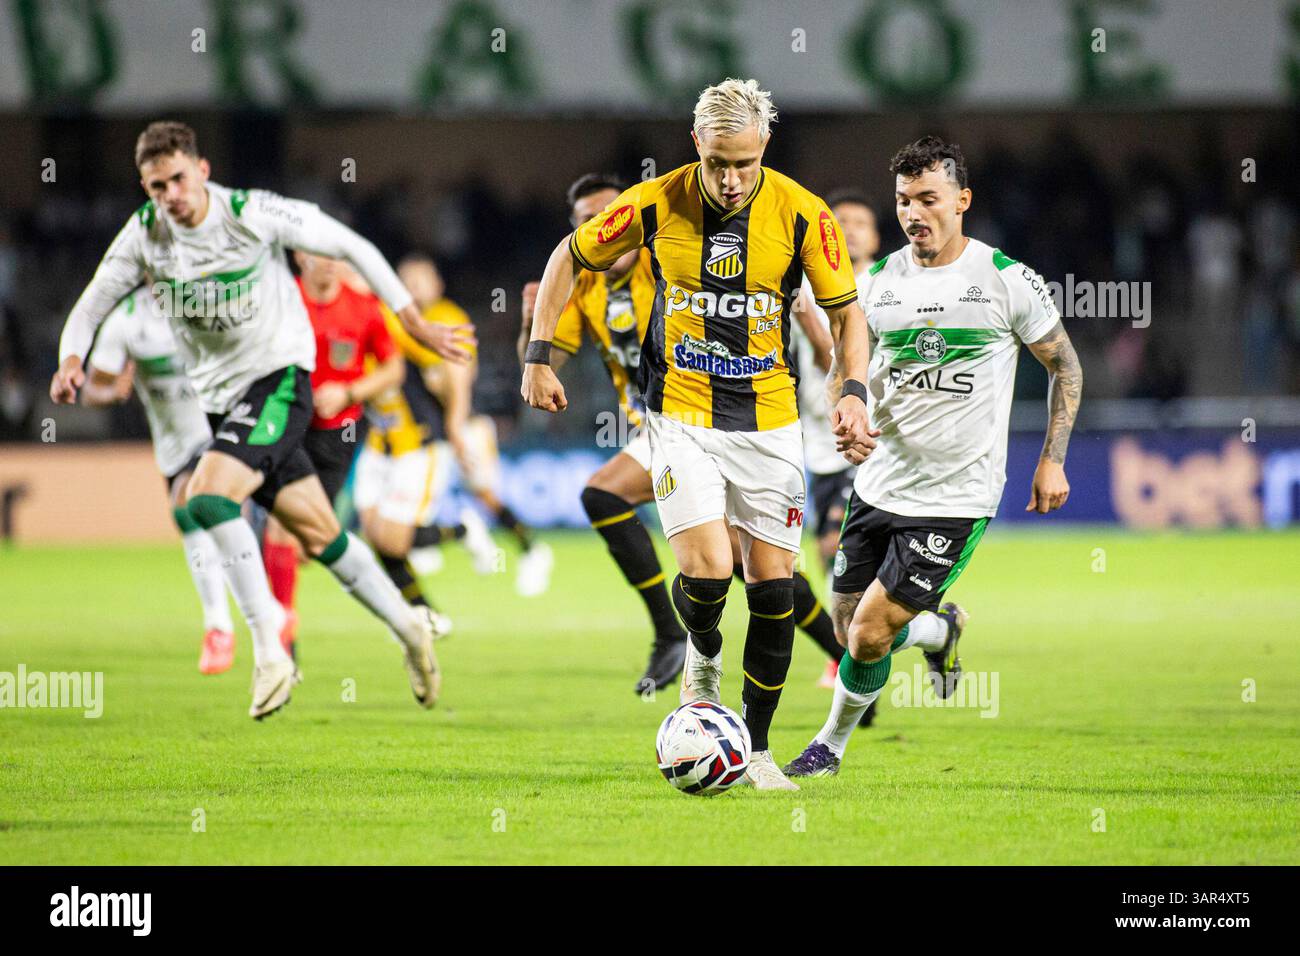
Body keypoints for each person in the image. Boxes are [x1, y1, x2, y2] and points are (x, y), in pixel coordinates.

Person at [51, 121, 474, 719]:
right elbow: (93, 302)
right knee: (321, 535)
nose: (169, 194)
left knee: (204, 497)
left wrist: (412, 319)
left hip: (280, 379)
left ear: (201, 171)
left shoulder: (251, 213)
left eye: (177, 178)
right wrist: (72, 358)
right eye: (154, 186)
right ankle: (410, 629)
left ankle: (270, 648)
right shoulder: (143, 236)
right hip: (223, 401)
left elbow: (352, 246)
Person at [522, 80, 876, 790]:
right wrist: (536, 354)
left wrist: (851, 394)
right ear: (696, 146)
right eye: (718, 161)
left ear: (763, 148)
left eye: (744, 162)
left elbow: (847, 314)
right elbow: (569, 255)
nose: (731, 178)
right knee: (711, 571)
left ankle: (759, 750)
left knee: (773, 585)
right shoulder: (655, 203)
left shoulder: (804, 215)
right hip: (680, 416)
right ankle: (701, 656)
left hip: (771, 424)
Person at [783, 136, 1082, 777]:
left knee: (865, 635)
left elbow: (1066, 366)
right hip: (879, 482)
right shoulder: (879, 283)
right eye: (903, 201)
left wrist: (1053, 458)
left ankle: (827, 748)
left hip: (956, 496)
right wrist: (849, 404)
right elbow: (845, 362)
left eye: (928, 199)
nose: (914, 213)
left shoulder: (1005, 280)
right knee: (847, 627)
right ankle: (940, 631)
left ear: (961, 201)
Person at [520, 173, 847, 697]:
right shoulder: (582, 287)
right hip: (660, 423)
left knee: (751, 566)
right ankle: (687, 636)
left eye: (611, 214)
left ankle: (820, 654)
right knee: (722, 556)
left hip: (707, 415)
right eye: (589, 221)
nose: (605, 227)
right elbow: (545, 363)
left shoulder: (665, 254)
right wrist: (528, 332)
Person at [260, 250, 407, 661]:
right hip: (289, 425)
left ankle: (281, 595)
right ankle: (283, 632)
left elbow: (394, 370)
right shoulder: (279, 300)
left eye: (332, 255)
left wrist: (349, 392)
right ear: (297, 256)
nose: (327, 262)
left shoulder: (362, 306)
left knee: (308, 542)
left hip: (337, 433)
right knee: (281, 526)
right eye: (316, 254)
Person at [82, 284, 235, 674]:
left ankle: (219, 626)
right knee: (202, 520)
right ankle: (266, 613)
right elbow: (91, 391)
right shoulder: (127, 321)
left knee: (190, 505)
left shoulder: (215, 297)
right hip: (173, 445)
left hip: (222, 428)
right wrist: (112, 391)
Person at [397, 253, 553, 596]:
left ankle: (531, 548)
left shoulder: (448, 319)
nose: (413, 288)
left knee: (484, 494)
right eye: (406, 281)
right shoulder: (402, 322)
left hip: (464, 422)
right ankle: (438, 543)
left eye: (420, 279)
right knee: (419, 496)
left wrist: (455, 427)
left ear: (437, 284)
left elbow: (459, 380)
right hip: (427, 429)